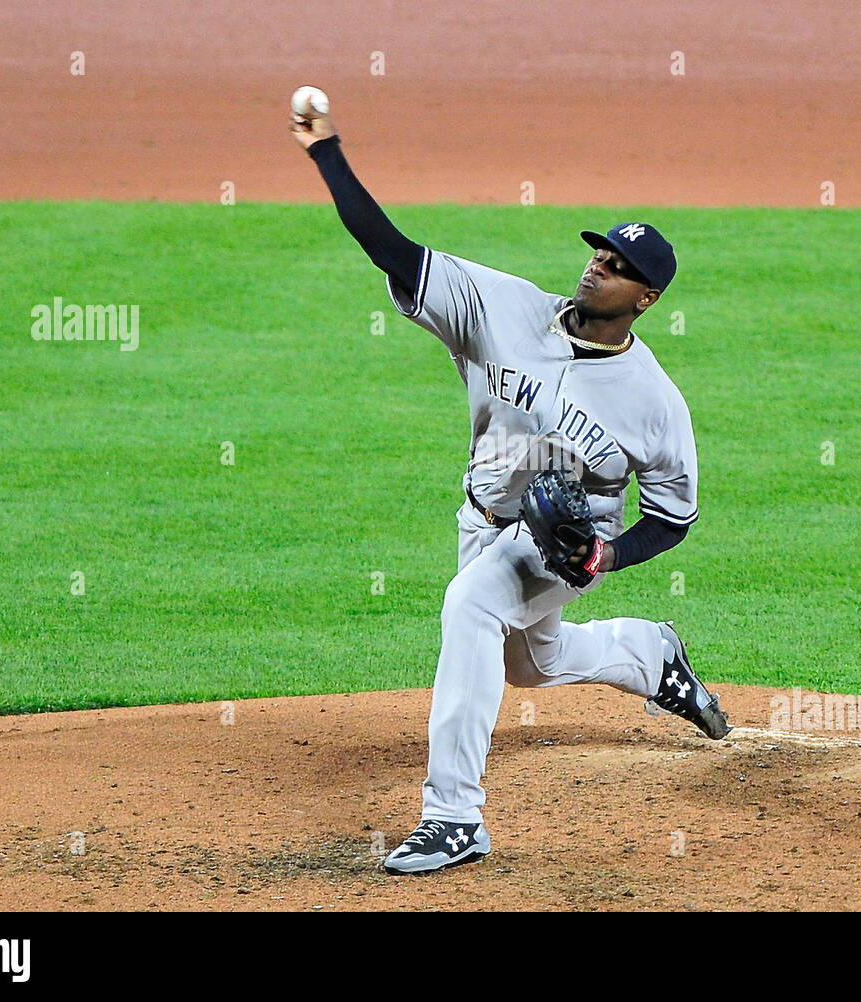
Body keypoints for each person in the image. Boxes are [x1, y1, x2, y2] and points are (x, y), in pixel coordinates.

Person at [290, 99, 730, 875]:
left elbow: (672, 517)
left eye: (620, 267)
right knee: (531, 664)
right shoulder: (504, 309)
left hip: (556, 545)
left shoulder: (655, 402)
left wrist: (602, 557)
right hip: (480, 516)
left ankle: (453, 816)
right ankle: (654, 653)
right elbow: (393, 251)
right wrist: (328, 153)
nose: (600, 264)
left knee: (471, 607)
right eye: (601, 252)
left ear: (645, 299)